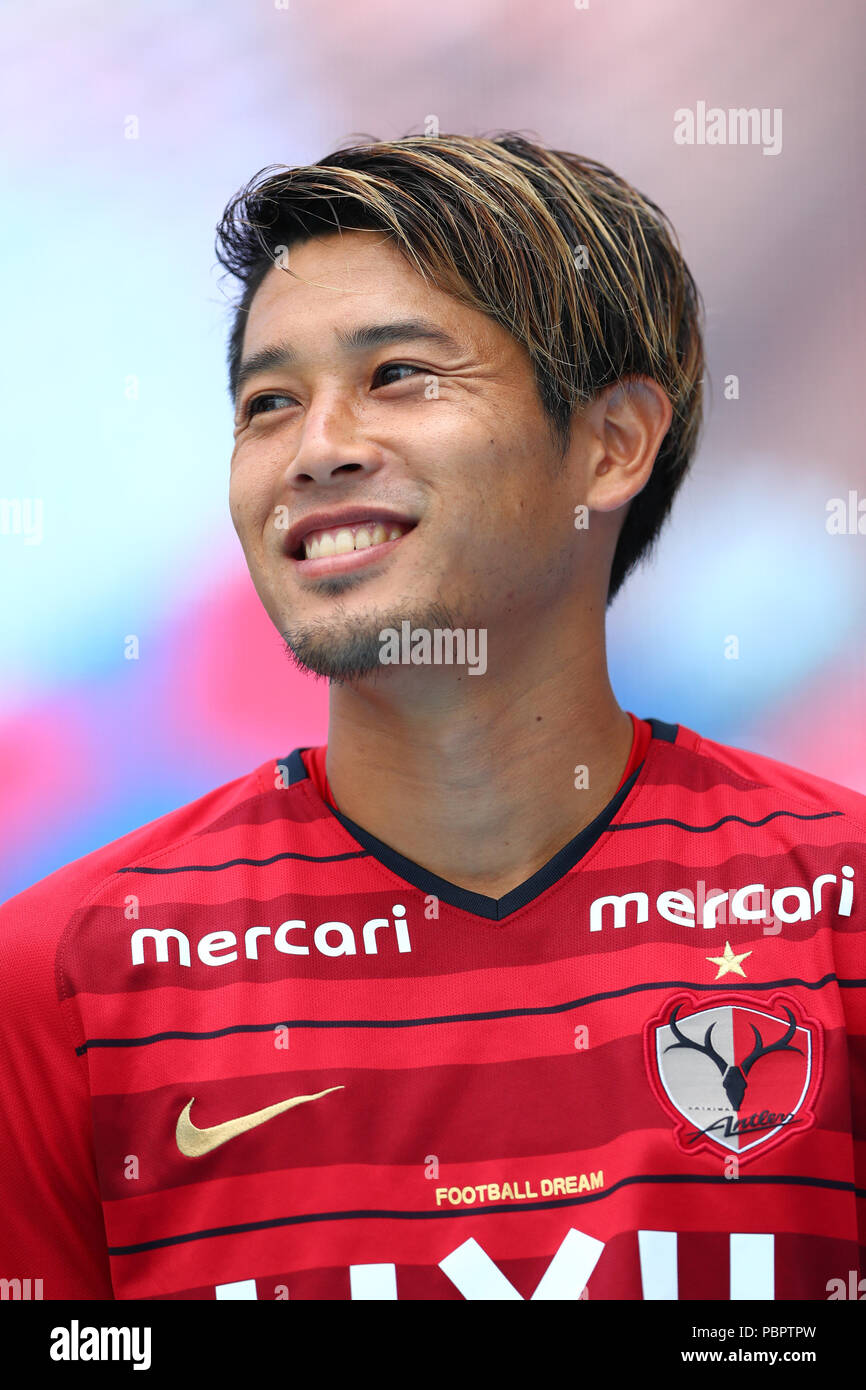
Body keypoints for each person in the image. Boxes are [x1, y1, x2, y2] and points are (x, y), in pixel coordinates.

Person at [1, 133, 862, 1302]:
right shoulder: (63, 973)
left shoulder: (839, 908)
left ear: (611, 444)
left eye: (397, 374)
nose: (313, 451)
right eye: (268, 402)